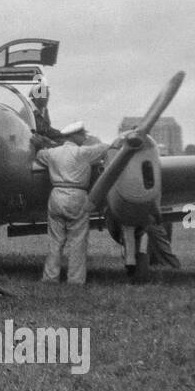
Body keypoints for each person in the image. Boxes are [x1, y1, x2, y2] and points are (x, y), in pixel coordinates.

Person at [36, 121, 128, 285]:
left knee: (55, 241)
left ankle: (50, 278)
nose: (85, 137)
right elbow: (108, 147)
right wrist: (124, 139)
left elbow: (39, 155)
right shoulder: (85, 152)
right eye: (82, 134)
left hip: (56, 196)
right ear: (74, 135)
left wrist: (43, 144)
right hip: (77, 195)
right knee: (77, 241)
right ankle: (75, 280)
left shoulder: (52, 153)